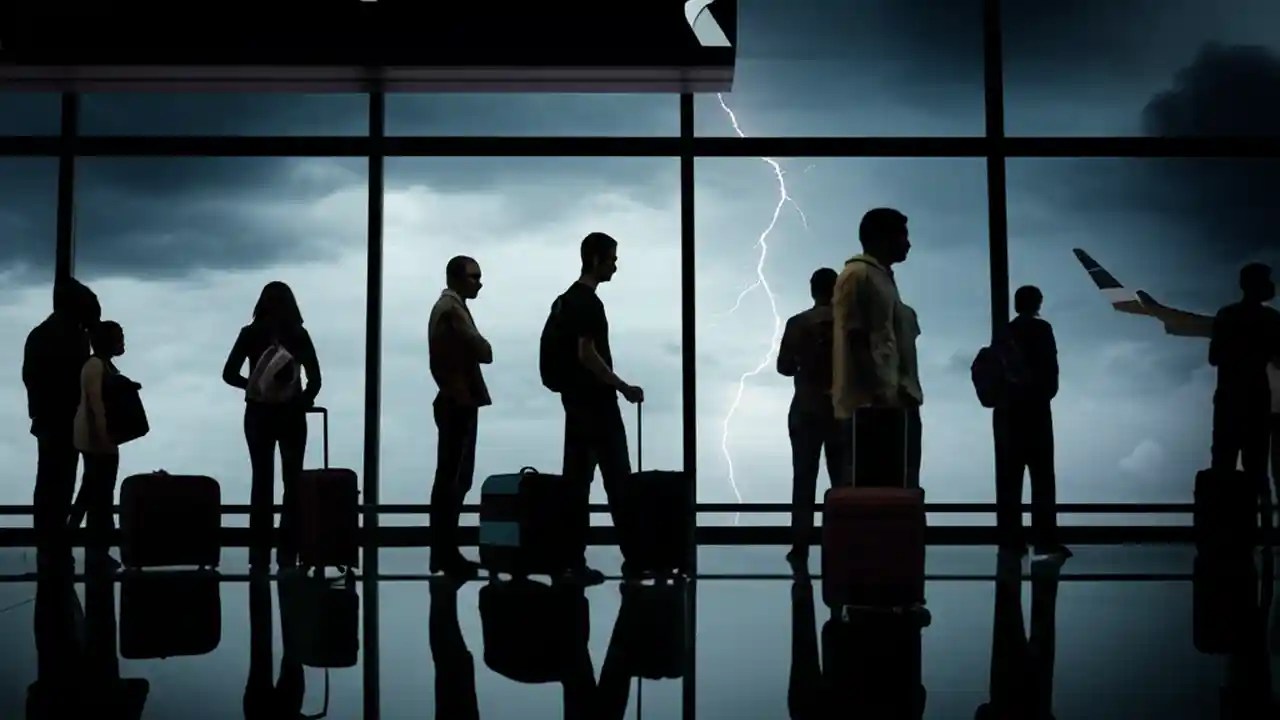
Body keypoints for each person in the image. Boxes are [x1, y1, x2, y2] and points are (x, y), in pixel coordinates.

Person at [555, 232, 644, 585]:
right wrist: (622, 386)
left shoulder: (564, 301)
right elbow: (587, 354)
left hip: (574, 404)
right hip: (597, 405)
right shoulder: (589, 304)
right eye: (612, 259)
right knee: (618, 481)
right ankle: (635, 558)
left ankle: (570, 560)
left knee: (576, 484)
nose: (616, 266)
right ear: (595, 259)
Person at [222, 281, 322, 569]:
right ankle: (289, 546)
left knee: (261, 480)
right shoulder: (298, 335)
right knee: (292, 481)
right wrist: (301, 400)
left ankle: (260, 548)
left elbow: (229, 373)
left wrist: (253, 386)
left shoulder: (250, 334)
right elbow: (315, 379)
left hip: (258, 414)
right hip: (291, 415)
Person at [831, 208, 913, 487]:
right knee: (872, 491)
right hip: (870, 408)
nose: (908, 243)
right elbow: (856, 337)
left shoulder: (882, 278)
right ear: (881, 238)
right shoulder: (858, 275)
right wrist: (877, 392)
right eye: (903, 235)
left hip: (889, 401)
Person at [23, 278, 100, 565]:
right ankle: (58, 538)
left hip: (52, 419)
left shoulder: (45, 335)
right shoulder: (68, 338)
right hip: (62, 419)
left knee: (52, 481)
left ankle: (51, 541)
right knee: (61, 481)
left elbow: (32, 378)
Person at [427, 255, 492, 579]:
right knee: (453, 481)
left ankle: (443, 552)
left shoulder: (449, 307)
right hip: (458, 401)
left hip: (454, 399)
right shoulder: (453, 309)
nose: (479, 282)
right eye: (473, 277)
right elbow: (483, 350)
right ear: (456, 278)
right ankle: (445, 553)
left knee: (451, 479)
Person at [994, 285, 1070, 559]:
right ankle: (1045, 539)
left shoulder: (1004, 332)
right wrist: (1042, 393)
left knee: (1009, 479)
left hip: (1007, 415)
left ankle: (1010, 540)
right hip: (1036, 412)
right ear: (1037, 303)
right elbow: (1051, 372)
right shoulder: (1042, 330)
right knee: (1042, 478)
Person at [777, 268, 843, 565]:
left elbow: (784, 367)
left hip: (805, 408)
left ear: (812, 290)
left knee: (803, 478)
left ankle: (800, 544)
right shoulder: (849, 325)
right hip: (841, 410)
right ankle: (841, 539)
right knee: (842, 480)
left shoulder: (798, 323)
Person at [1209, 263, 1280, 493]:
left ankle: (1221, 524)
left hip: (1228, 402)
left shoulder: (1226, 315)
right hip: (1256, 403)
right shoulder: (1271, 319)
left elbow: (1214, 356)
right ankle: (1263, 525)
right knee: (1257, 472)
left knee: (1223, 467)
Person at [71, 321, 128, 562]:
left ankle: (80, 536)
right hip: (98, 440)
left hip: (97, 439)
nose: (123, 342)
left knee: (92, 489)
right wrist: (105, 437)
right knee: (100, 492)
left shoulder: (100, 364)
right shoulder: (96, 366)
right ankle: (96, 544)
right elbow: (96, 403)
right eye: (120, 338)